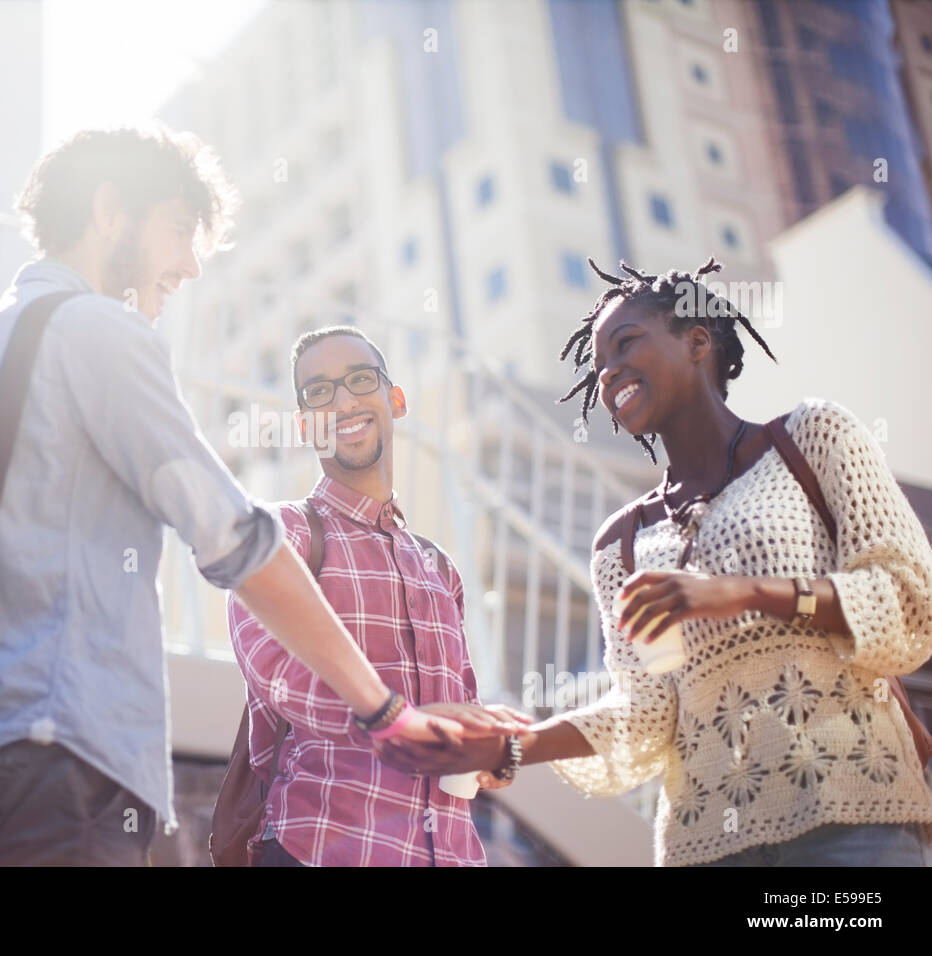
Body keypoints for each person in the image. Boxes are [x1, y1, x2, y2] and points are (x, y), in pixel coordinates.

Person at [0, 126, 469, 867]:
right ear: (110, 208)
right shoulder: (100, 331)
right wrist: (382, 710)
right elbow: (236, 541)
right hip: (67, 777)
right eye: (179, 230)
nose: (187, 264)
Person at [378, 257, 932, 866]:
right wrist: (513, 745)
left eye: (627, 343)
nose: (610, 372)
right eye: (598, 365)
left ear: (697, 340)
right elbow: (644, 713)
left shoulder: (812, 438)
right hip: (708, 845)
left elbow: (906, 598)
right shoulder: (622, 541)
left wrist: (748, 593)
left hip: (852, 816)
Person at [227, 326, 523, 866]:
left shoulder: (440, 568)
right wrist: (407, 723)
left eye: (360, 379)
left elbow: (465, 706)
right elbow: (276, 675)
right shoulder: (283, 534)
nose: (342, 401)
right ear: (305, 426)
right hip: (320, 849)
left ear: (396, 399)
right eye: (318, 392)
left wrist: (493, 750)